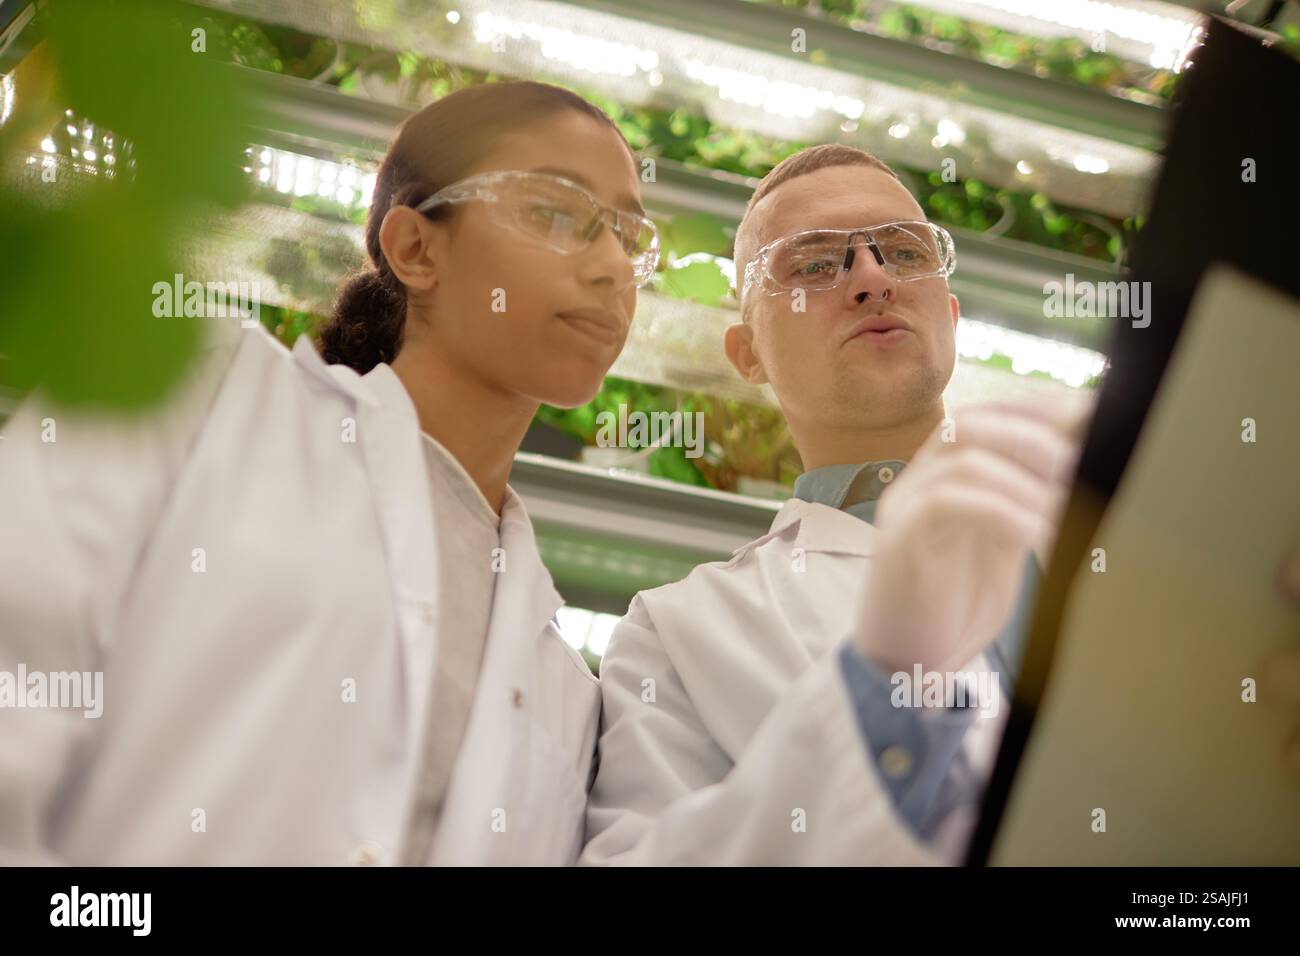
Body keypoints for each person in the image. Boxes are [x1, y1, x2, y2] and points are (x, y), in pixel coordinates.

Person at [0, 80, 658, 865]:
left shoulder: (564, 685)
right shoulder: (194, 393)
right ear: (416, 248)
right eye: (555, 212)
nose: (614, 266)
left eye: (629, 236)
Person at [582, 144, 1102, 865]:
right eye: (815, 264)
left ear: (949, 315)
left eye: (903, 251)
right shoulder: (677, 634)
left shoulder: (1117, 523)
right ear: (748, 352)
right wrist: (881, 690)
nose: (872, 279)